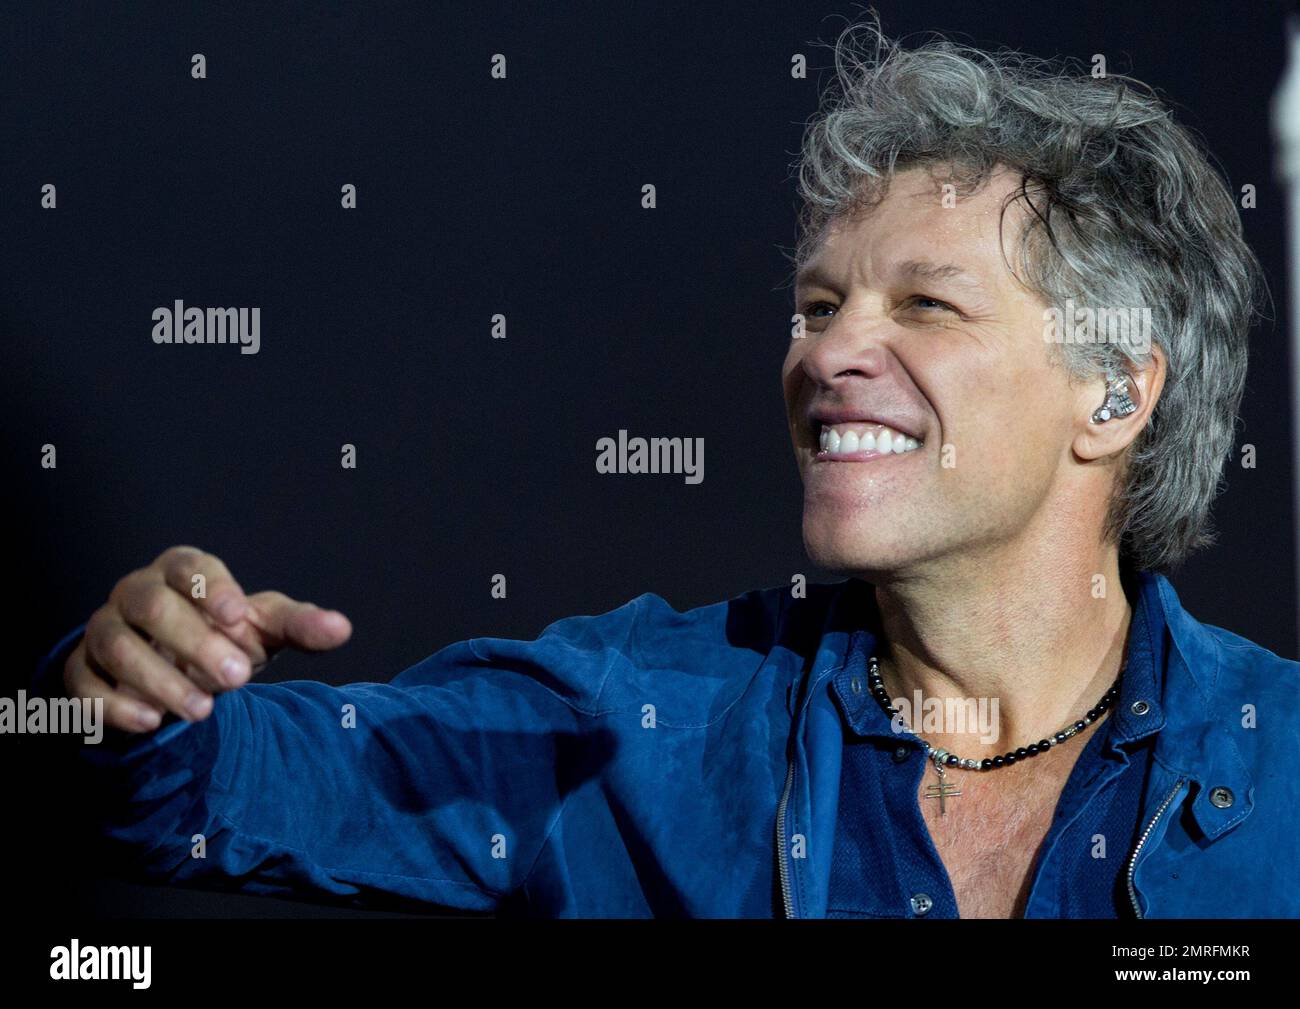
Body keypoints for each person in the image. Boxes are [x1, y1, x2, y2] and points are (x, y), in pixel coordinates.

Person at [32, 17, 1298, 918]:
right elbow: (212, 795)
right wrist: (131, 708)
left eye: (925, 304)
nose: (828, 352)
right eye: (815, 305)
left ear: (1118, 392)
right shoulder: (633, 724)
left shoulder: (1281, 757)